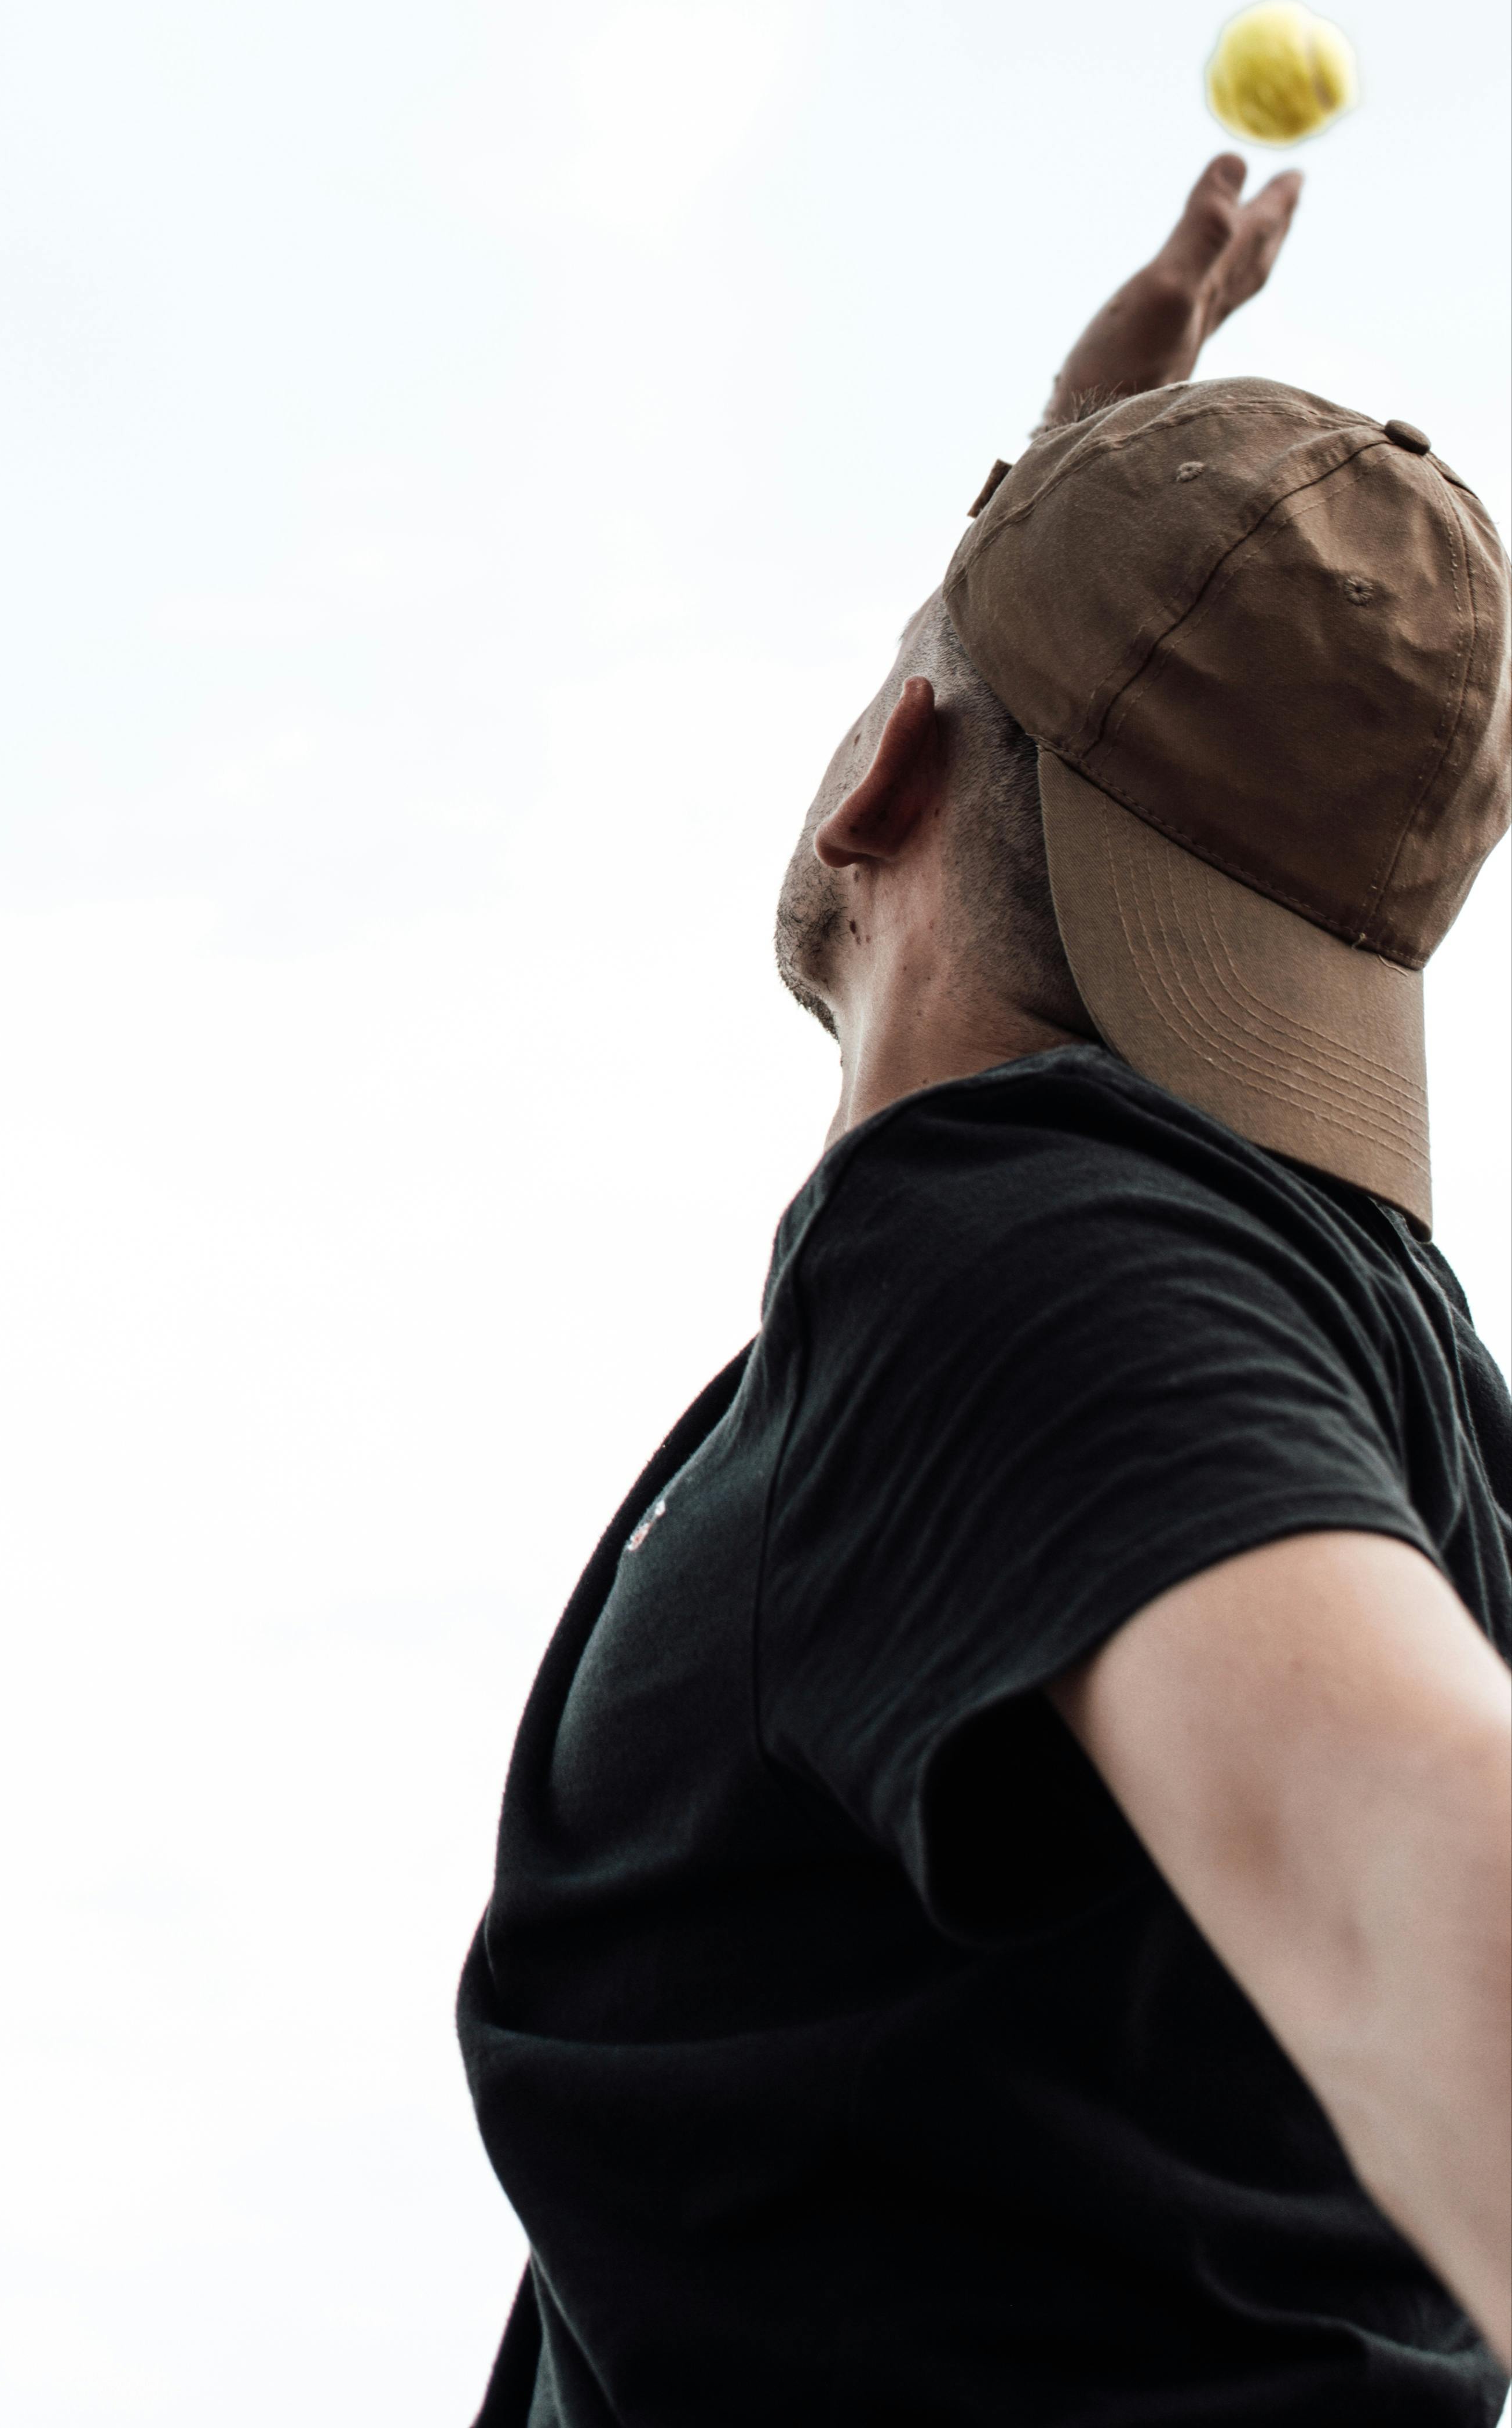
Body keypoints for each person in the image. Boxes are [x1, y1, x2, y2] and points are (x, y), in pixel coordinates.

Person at [457, 153, 1512, 2426]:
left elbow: (1427, 1888)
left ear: (877, 769)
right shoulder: (1367, 1353)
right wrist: (1075, 475)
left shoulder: (1016, 1265)